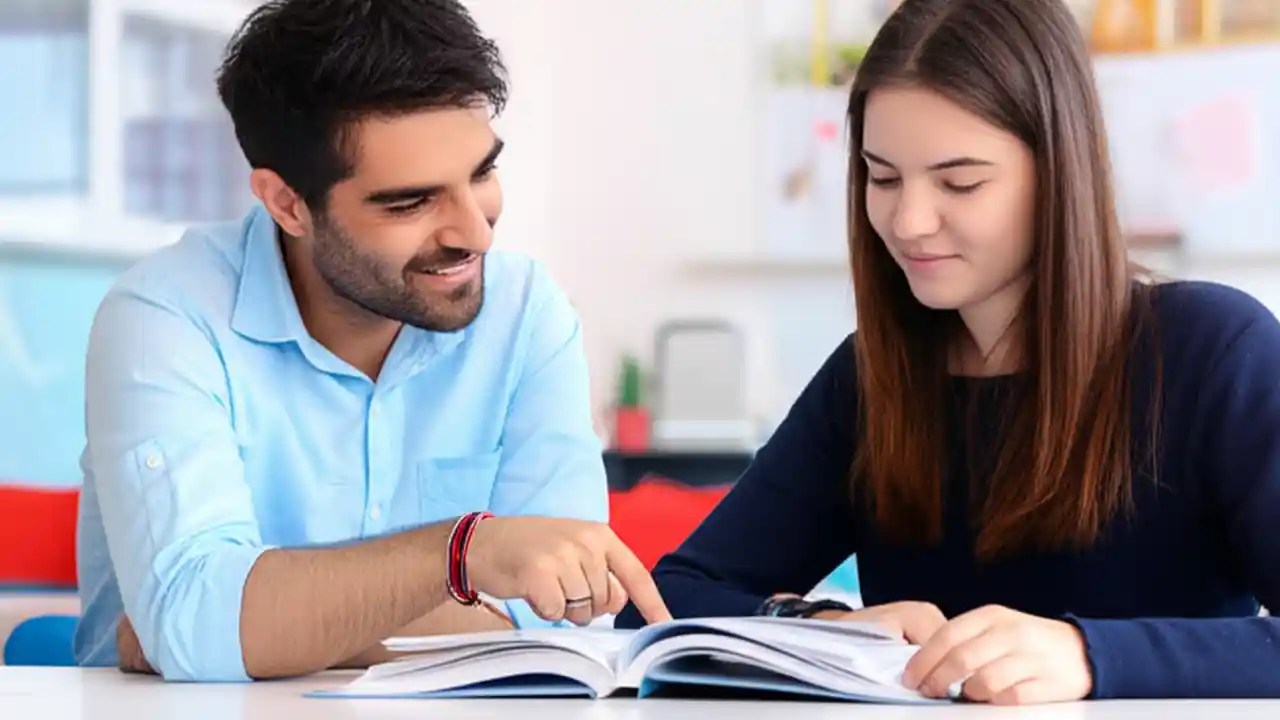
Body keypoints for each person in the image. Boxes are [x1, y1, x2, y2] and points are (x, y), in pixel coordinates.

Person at [616, 0, 1280, 705]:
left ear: (1058, 173)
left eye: (960, 183)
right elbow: (659, 605)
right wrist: (812, 627)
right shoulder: (873, 377)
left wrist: (1093, 655)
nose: (908, 221)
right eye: (882, 177)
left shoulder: (1215, 351)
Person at [75, 0, 669, 682]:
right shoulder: (166, 316)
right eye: (410, 203)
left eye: (481, 174)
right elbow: (196, 627)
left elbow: (560, 628)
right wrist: (464, 554)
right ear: (288, 203)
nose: (474, 233)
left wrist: (256, 630)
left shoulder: (525, 313)